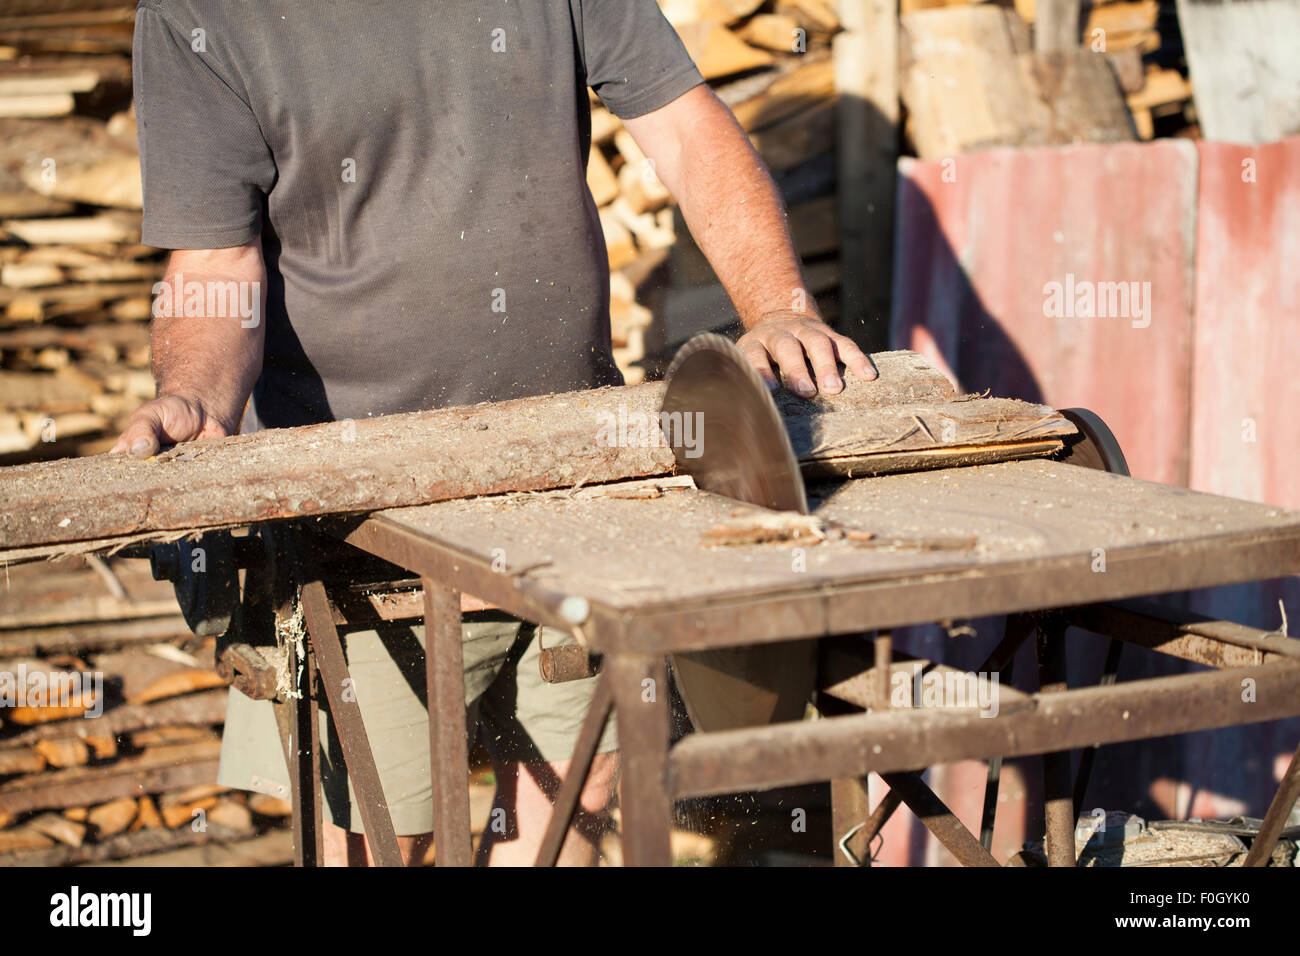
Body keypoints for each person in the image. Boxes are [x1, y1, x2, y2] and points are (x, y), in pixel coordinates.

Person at [113, 0, 877, 866]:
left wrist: (777, 306)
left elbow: (686, 129)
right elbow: (216, 260)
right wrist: (198, 399)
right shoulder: (200, 16)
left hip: (577, 473)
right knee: (377, 830)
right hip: (356, 514)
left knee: (575, 790)